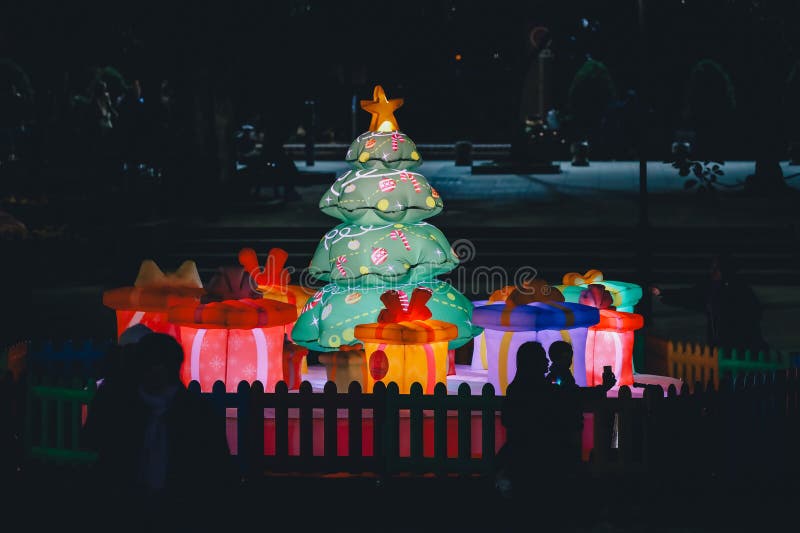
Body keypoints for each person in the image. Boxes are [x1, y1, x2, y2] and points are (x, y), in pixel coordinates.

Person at [82, 333, 236, 530]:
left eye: (159, 364)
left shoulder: (196, 412)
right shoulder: (122, 407)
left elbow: (216, 468)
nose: (154, 371)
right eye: (149, 364)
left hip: (180, 509)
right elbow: (93, 439)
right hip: (127, 506)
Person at [651, 253, 767, 351]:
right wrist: (664, 294)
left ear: (725, 270)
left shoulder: (739, 289)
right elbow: (689, 296)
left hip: (743, 345)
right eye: (712, 268)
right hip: (722, 345)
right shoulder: (712, 289)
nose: (712, 271)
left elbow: (754, 313)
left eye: (716, 268)